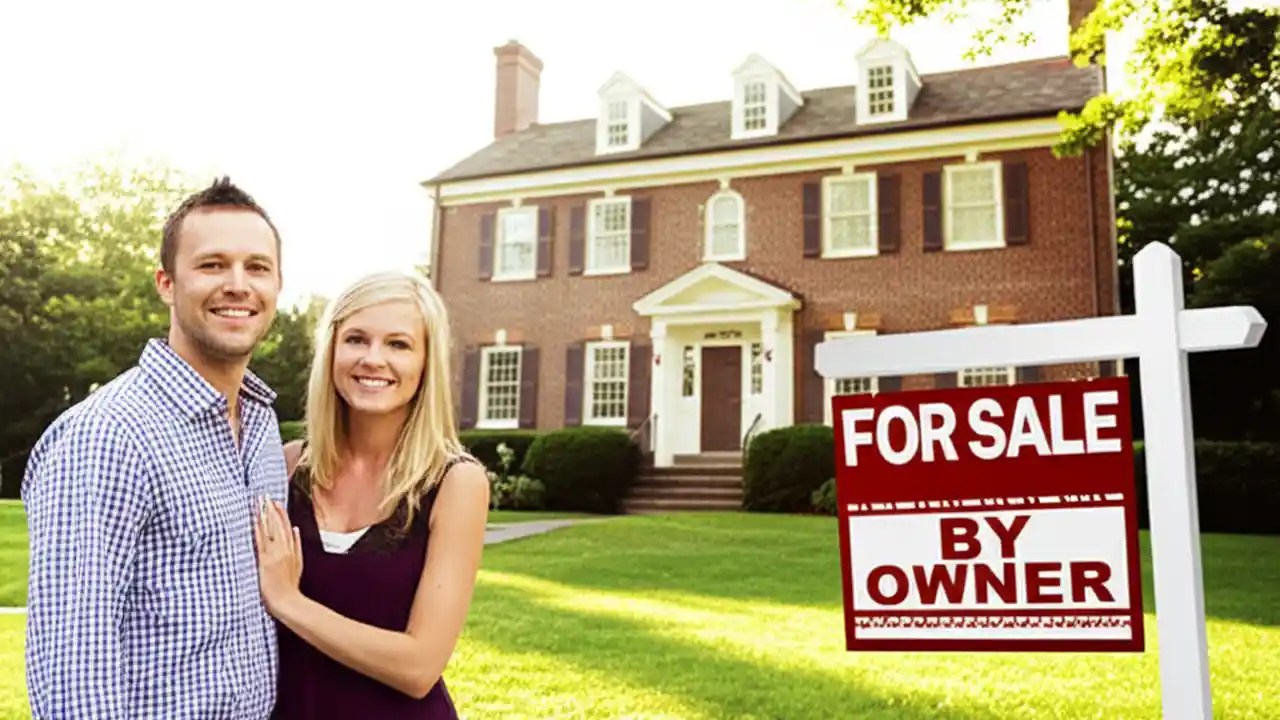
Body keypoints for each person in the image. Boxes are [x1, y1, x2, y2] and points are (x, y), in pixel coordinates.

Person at [21, 177, 289, 718]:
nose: (238, 285)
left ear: (277, 286)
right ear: (166, 283)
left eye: (257, 267)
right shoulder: (108, 435)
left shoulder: (260, 424)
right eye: (212, 265)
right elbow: (73, 667)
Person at [253, 270, 490, 718]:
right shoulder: (284, 466)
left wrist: (289, 602)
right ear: (331, 351)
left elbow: (419, 666)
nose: (373, 359)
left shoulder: (456, 483)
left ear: (425, 363)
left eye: (398, 344)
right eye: (357, 339)